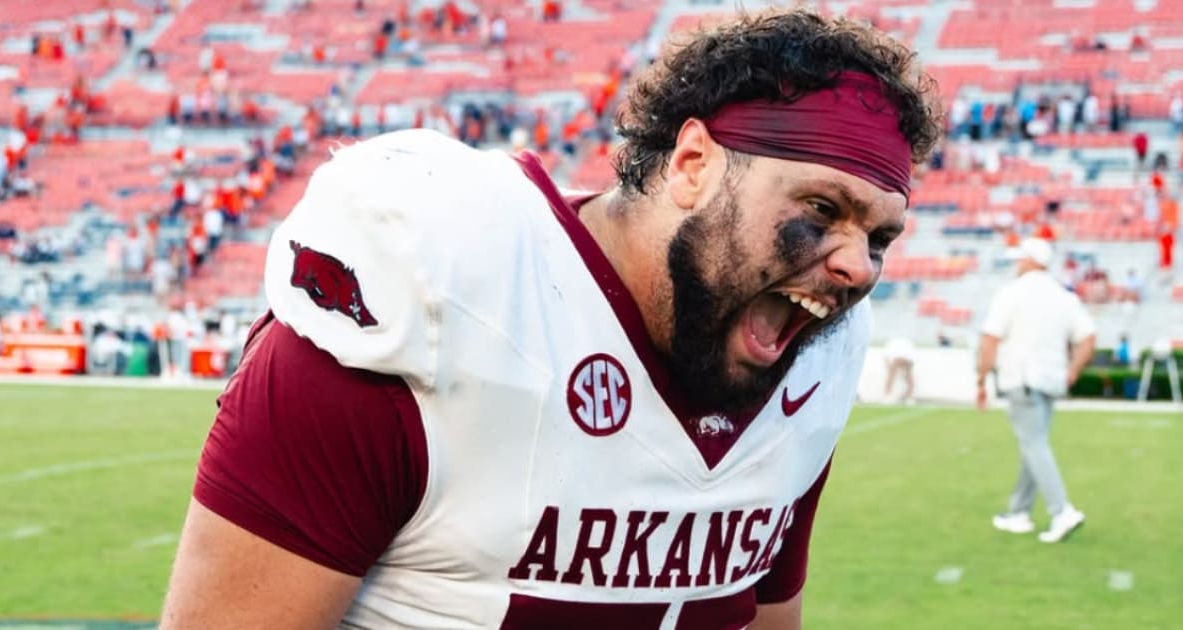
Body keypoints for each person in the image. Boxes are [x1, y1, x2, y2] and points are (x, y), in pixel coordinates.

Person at [160, 8, 941, 629]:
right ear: (694, 164)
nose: (857, 266)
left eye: (879, 237)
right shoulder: (440, 289)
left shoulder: (811, 359)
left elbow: (761, 615)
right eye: (821, 209)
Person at [977, 237, 1095, 544]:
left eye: (1020, 259)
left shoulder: (1012, 293)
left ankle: (1061, 512)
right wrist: (1072, 372)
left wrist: (981, 379)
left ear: (1031, 261)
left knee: (1034, 446)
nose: (1017, 264)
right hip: (1051, 382)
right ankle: (1019, 512)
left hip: (1022, 378)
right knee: (1035, 444)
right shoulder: (1064, 297)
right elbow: (1088, 338)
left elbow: (990, 338)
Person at [882, 335, 916, 404]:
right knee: (891, 375)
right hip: (895, 352)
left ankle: (909, 396)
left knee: (908, 375)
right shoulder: (892, 346)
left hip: (906, 352)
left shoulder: (907, 346)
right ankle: (888, 395)